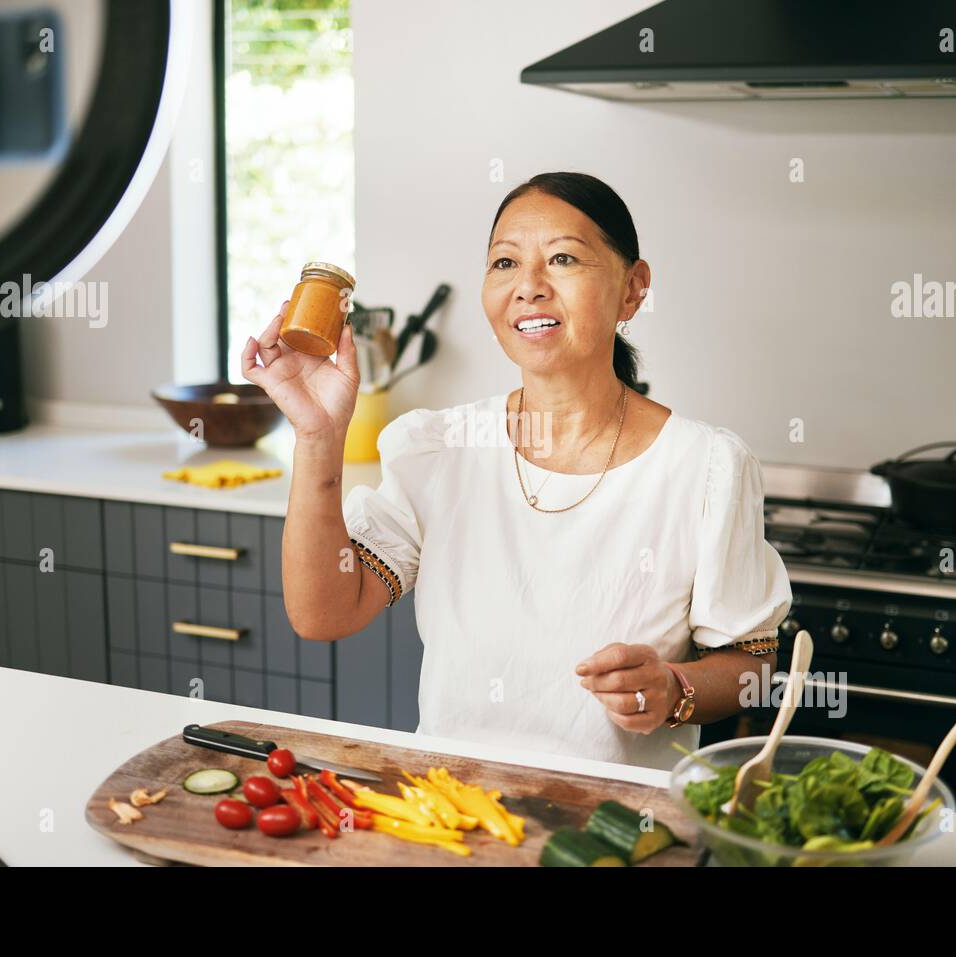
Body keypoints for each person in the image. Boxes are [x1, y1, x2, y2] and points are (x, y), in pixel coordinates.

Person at [242, 171, 792, 771]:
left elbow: (752, 667)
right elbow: (323, 613)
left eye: (562, 259)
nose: (528, 287)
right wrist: (319, 436)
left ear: (633, 289)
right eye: (504, 263)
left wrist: (674, 690)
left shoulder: (705, 466)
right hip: (451, 811)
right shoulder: (440, 449)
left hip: (613, 830)